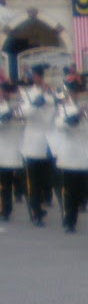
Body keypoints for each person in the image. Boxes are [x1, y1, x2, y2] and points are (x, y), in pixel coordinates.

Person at [51, 75, 88, 233]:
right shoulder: (63, 107)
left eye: (79, 90)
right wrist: (78, 115)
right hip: (70, 156)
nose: (76, 94)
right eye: (73, 91)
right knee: (71, 192)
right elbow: (61, 125)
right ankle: (70, 221)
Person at [19, 66, 54, 225]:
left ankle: (41, 205)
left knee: (47, 181)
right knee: (34, 182)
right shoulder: (27, 93)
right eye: (40, 76)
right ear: (36, 77)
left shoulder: (55, 93)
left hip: (50, 143)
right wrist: (36, 102)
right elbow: (23, 113)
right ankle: (35, 212)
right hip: (33, 143)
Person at [0, 79, 22, 221]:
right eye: (4, 91)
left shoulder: (17, 107)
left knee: (9, 182)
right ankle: (4, 209)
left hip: (13, 149)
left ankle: (7, 209)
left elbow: (23, 124)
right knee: (3, 184)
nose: (5, 94)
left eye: (8, 91)